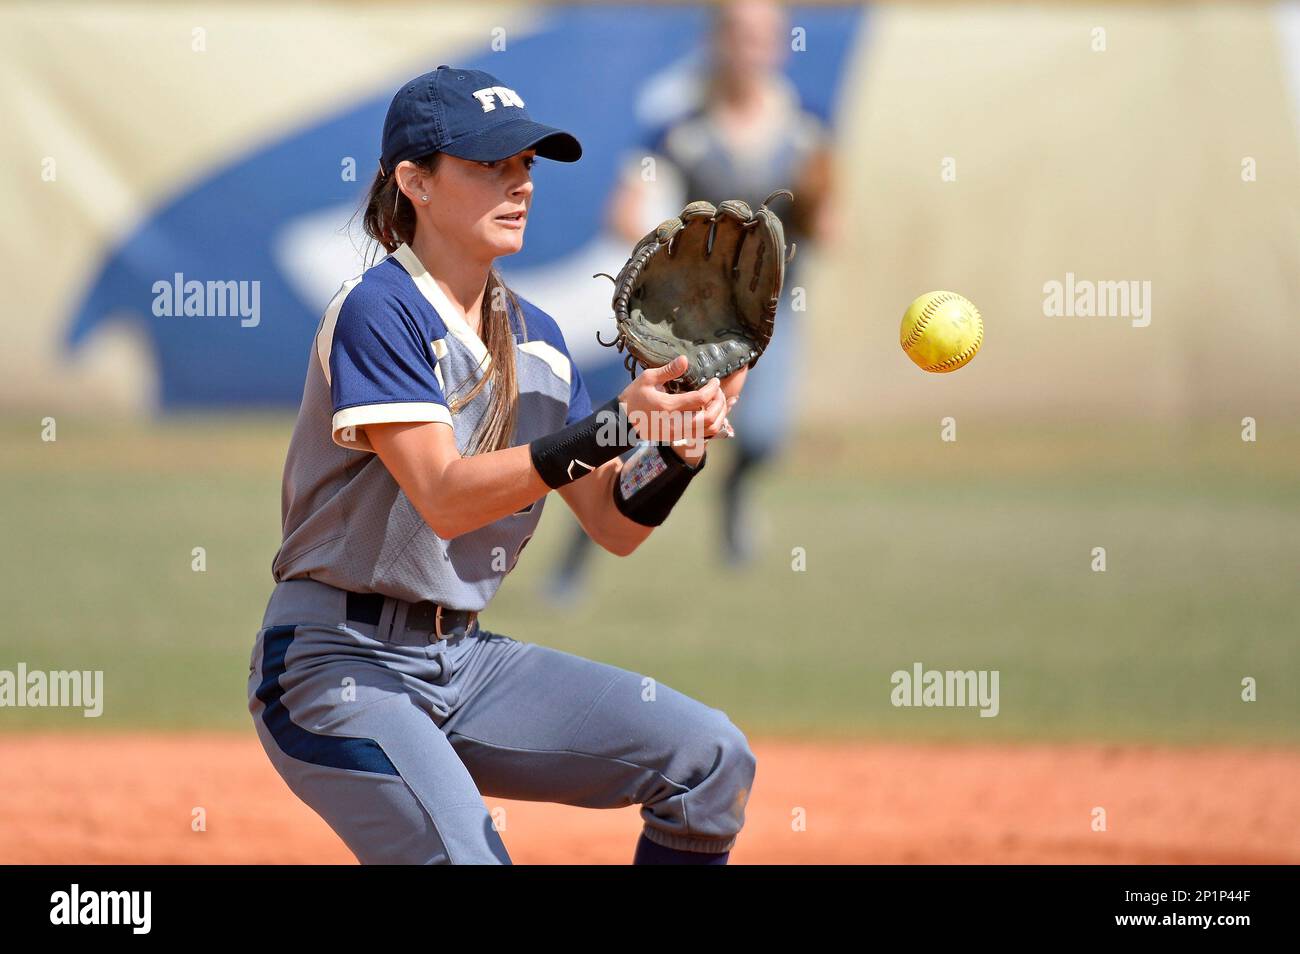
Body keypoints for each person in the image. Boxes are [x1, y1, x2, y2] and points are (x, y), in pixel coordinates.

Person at [246, 66, 754, 865]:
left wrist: (678, 448)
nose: (519, 183)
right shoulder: (381, 311)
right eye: (489, 165)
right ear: (413, 181)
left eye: (525, 165)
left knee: (710, 761)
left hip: (465, 663)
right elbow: (446, 497)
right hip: (337, 667)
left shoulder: (541, 338)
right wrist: (619, 422)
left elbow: (613, 523)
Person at [546, 0, 836, 603]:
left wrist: (819, 214)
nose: (751, 48)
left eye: (763, 36)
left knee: (759, 438)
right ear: (717, 41)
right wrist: (659, 237)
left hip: (764, 322)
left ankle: (733, 497)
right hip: (693, 322)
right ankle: (577, 558)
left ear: (781, 45)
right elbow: (626, 206)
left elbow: (827, 218)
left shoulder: (805, 127)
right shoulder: (680, 128)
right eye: (739, 34)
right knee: (641, 433)